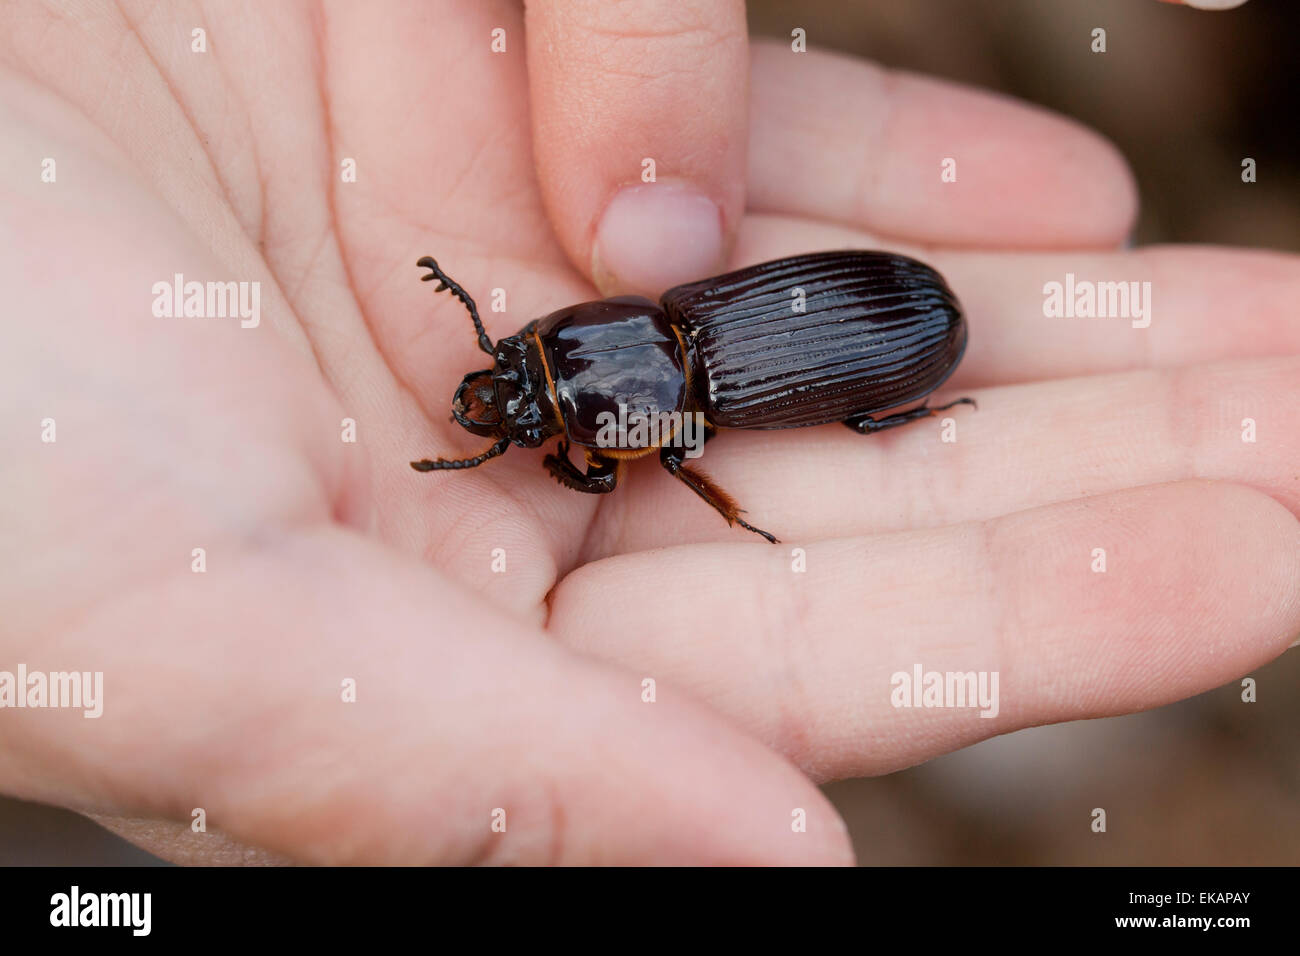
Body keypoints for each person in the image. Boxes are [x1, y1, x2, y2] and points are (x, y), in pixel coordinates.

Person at [1, 0, 1291, 865]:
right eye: (527, 384)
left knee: (859, 420)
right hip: (848, 309)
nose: (509, 399)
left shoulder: (671, 425)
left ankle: (909, 413)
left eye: (527, 377)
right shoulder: (653, 379)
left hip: (878, 339)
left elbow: (594, 441)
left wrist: (541, 448)